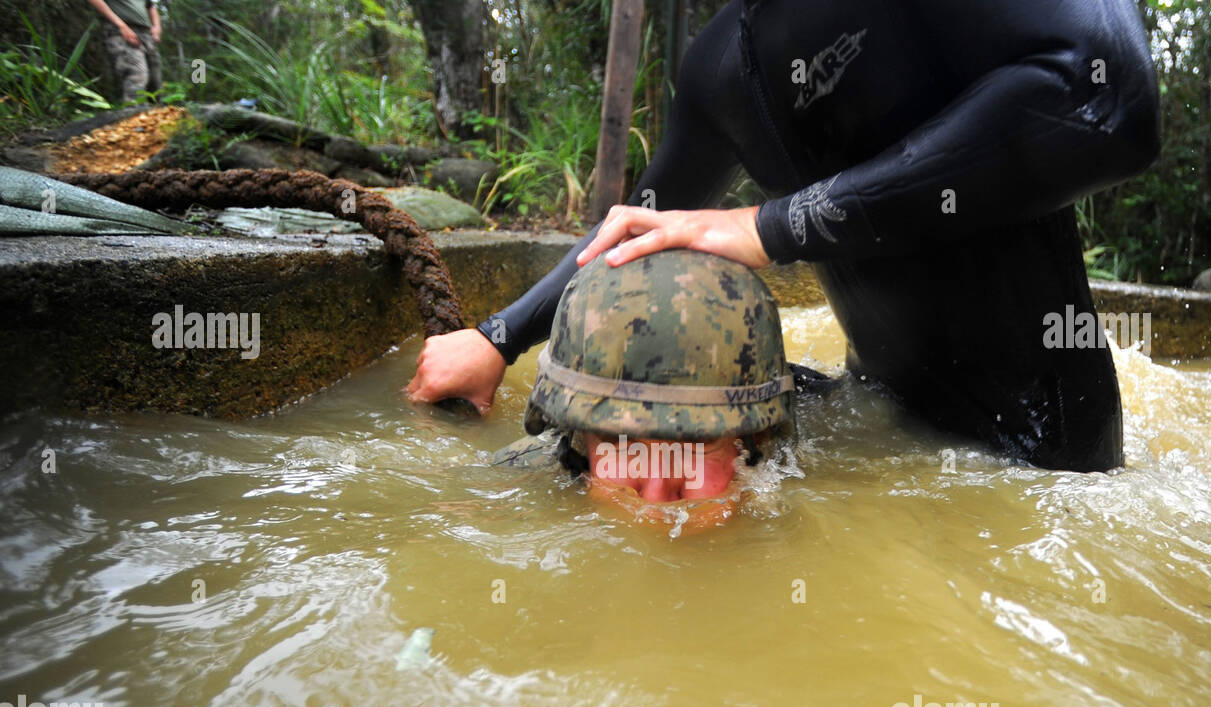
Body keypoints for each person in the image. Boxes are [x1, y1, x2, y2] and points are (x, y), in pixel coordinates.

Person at [408, 0, 1159, 473]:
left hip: (1050, 468)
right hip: (869, 421)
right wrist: (496, 338)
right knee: (596, 467)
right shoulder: (720, 66)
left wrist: (772, 226)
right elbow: (640, 221)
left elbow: (1109, 101)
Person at [492, 248, 802, 525]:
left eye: (699, 440)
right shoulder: (520, 484)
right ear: (577, 437)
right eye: (617, 437)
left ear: (758, 437)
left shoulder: (813, 478)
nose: (655, 499)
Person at [86, 0, 163, 105]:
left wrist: (157, 26)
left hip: (146, 33)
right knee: (137, 74)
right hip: (120, 31)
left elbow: (150, 6)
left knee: (155, 81)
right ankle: (135, 114)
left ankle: (158, 116)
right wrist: (121, 25)